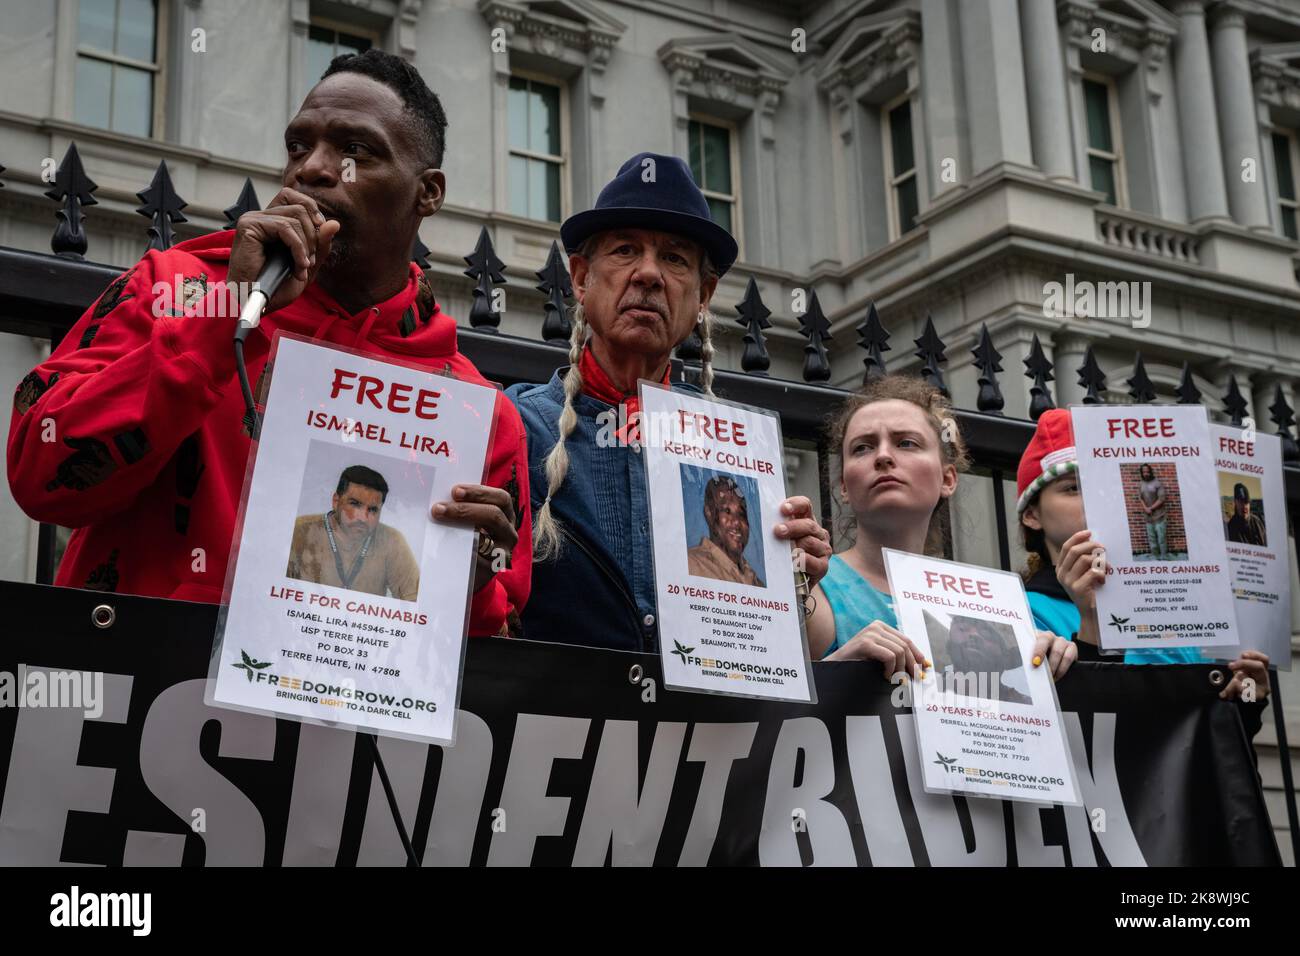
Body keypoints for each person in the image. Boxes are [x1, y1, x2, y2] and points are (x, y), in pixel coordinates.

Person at [8, 50, 530, 637]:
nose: (311, 169)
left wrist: (477, 572)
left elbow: (485, 652)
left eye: (355, 151)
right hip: (144, 705)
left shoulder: (476, 410)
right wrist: (221, 320)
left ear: (427, 192)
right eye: (298, 146)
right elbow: (40, 475)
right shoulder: (175, 290)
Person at [506, 152, 831, 650]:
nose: (649, 274)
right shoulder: (520, 426)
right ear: (579, 277)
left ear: (703, 295)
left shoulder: (741, 454)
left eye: (675, 258)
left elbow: (780, 653)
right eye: (624, 250)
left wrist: (797, 581)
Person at [806, 374, 1076, 684]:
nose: (882, 456)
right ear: (843, 485)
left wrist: (1052, 658)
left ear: (947, 479)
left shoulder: (990, 604)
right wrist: (839, 666)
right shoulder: (816, 588)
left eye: (906, 443)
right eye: (862, 448)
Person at [1016, 410, 1271, 731]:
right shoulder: (1021, 614)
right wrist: (1093, 624)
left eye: (1106, 485)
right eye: (1073, 487)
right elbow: (1070, 739)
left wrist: (1249, 699)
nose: (1097, 497)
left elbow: (1219, 742)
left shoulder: (1185, 601)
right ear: (1032, 515)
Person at [286, 465, 419, 600]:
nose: (363, 517)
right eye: (355, 504)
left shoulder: (391, 540)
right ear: (336, 501)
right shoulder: (300, 530)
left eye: (373, 510)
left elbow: (413, 603)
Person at [686, 474, 764, 587]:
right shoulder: (691, 564)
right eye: (727, 511)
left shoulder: (756, 582)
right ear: (709, 513)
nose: (737, 522)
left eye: (741, 514)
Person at [1137, 463, 1169, 559]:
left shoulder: (1157, 483)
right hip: (1148, 518)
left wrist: (1150, 508)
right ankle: (1155, 557)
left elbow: (1162, 499)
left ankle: (1164, 557)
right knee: (1152, 539)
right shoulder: (1141, 484)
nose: (1146, 473)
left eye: (1147, 471)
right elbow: (1140, 498)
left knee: (1161, 539)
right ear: (1142, 473)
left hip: (1159, 516)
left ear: (1150, 472)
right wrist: (1145, 508)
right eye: (1144, 472)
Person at [1226, 482, 1267, 546]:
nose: (1244, 506)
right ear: (1235, 502)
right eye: (1241, 502)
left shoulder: (1259, 522)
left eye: (1246, 502)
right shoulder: (1231, 527)